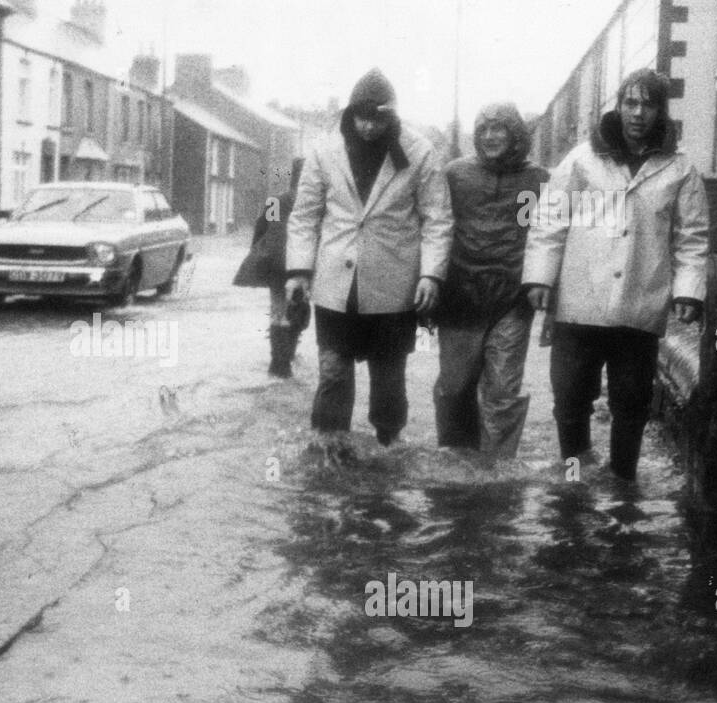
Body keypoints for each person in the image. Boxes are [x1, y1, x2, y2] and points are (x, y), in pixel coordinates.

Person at [523, 68, 709, 482]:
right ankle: (572, 476)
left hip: (639, 304)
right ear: (618, 106)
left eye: (648, 104)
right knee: (570, 398)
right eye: (630, 103)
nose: (638, 113)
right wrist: (540, 277)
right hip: (578, 303)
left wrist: (688, 291)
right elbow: (550, 218)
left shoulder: (680, 168)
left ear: (661, 110)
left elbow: (692, 238)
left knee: (631, 401)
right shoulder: (583, 159)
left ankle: (623, 481)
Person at [285, 68, 453, 445]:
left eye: (377, 119)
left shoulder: (420, 152)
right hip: (335, 284)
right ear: (350, 114)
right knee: (332, 371)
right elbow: (304, 216)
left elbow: (437, 219)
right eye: (361, 117)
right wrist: (298, 272)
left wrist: (431, 275)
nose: (368, 127)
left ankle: (388, 444)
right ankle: (329, 445)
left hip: (393, 285)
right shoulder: (324, 151)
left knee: (389, 376)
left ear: (391, 116)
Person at [433, 102, 549, 458]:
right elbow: (434, 226)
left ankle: (497, 469)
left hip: (511, 302)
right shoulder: (454, 174)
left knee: (502, 390)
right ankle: (457, 460)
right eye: (483, 129)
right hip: (460, 296)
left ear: (516, 134)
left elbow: (549, 235)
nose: (490, 136)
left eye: (499, 129)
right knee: (455, 387)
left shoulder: (539, 180)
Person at [233, 157, 308, 377]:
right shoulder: (311, 204)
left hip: (275, 265)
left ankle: (278, 364)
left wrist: (258, 255)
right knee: (298, 307)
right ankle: (289, 356)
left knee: (278, 310)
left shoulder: (276, 201)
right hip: (300, 266)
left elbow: (261, 229)